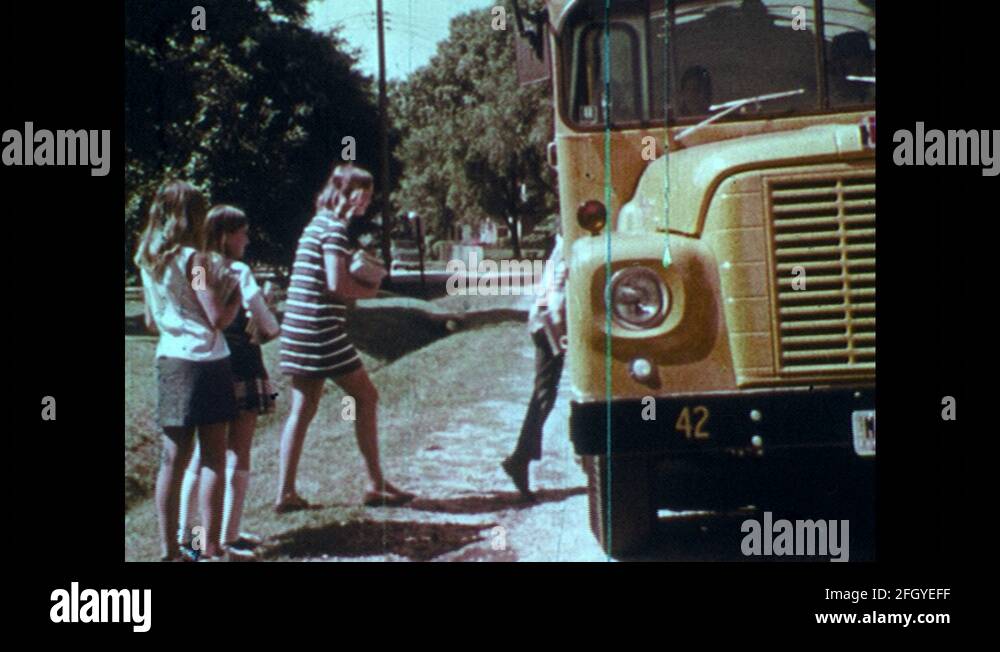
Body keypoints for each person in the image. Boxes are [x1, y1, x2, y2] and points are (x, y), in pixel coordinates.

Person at [274, 164, 414, 512]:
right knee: (366, 397)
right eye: (362, 197)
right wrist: (371, 287)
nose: (366, 204)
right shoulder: (334, 229)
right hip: (320, 330)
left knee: (301, 410)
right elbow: (337, 285)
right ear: (345, 194)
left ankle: (285, 492)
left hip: (298, 330)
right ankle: (374, 483)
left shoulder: (315, 226)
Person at [135, 180, 242, 561]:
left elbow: (151, 319)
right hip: (205, 361)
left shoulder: (146, 258)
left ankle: (171, 550)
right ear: (193, 215)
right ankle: (210, 546)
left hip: (170, 359)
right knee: (213, 455)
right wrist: (234, 297)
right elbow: (216, 317)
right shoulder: (195, 261)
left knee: (172, 460)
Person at [177, 205, 281, 560]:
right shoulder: (239, 271)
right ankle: (229, 533)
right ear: (227, 235)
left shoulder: (196, 267)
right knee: (238, 452)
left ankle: (187, 535)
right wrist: (266, 307)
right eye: (243, 233)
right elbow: (269, 327)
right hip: (243, 365)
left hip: (206, 366)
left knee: (201, 457)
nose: (247, 239)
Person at [501, 232, 569, 500]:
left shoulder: (563, 243)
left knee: (545, 395)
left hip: (547, 322)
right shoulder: (569, 247)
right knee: (543, 397)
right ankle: (519, 459)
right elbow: (556, 294)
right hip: (549, 324)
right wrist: (559, 337)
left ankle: (521, 459)